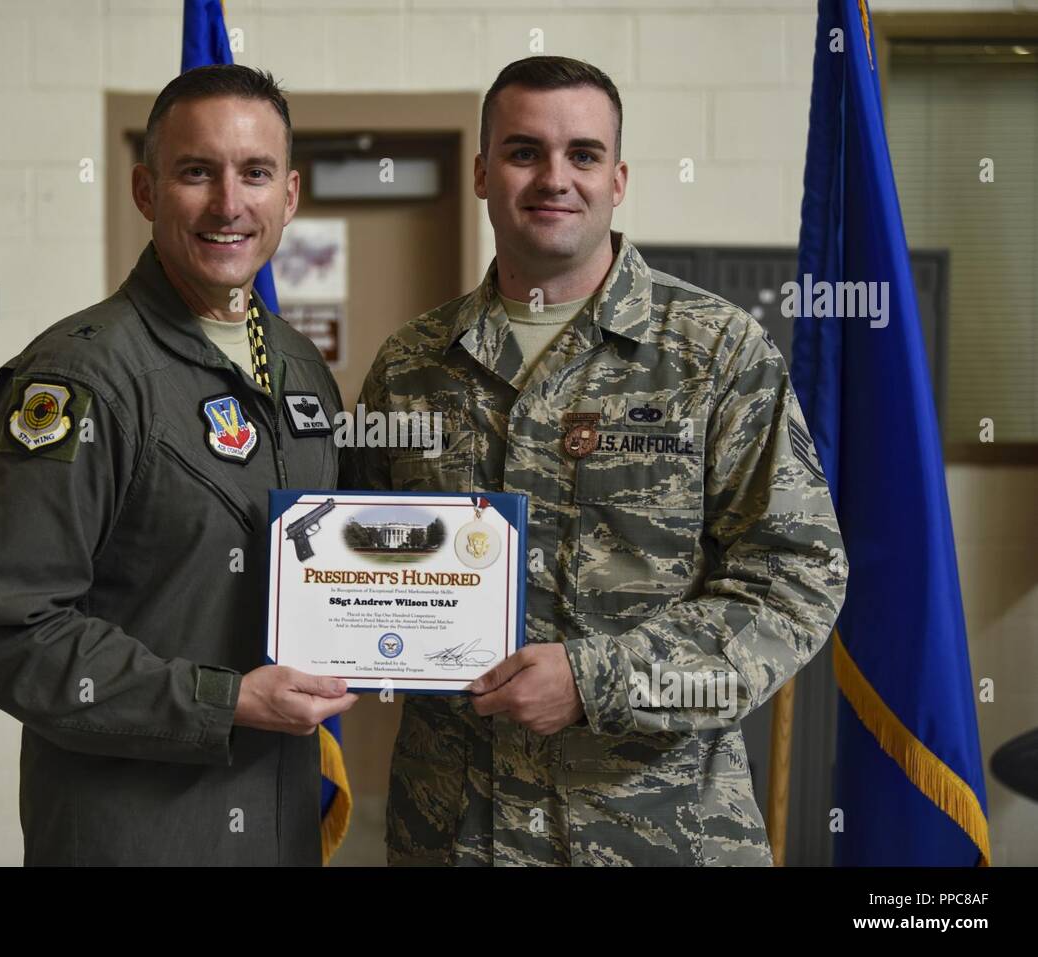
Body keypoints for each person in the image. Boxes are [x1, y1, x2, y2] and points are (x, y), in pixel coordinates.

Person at [341, 56, 848, 866]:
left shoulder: (715, 352)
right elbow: (355, 547)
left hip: (662, 832)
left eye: (581, 154)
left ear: (618, 178)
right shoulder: (412, 364)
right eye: (523, 152)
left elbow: (796, 576)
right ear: (481, 172)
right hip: (455, 831)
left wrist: (599, 678)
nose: (554, 178)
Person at [0, 64, 356, 866]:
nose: (229, 203)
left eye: (255, 173)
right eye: (197, 171)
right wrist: (223, 700)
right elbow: (10, 630)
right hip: (135, 835)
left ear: (291, 196)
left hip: (278, 827)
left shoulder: (303, 367)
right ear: (146, 190)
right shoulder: (80, 377)